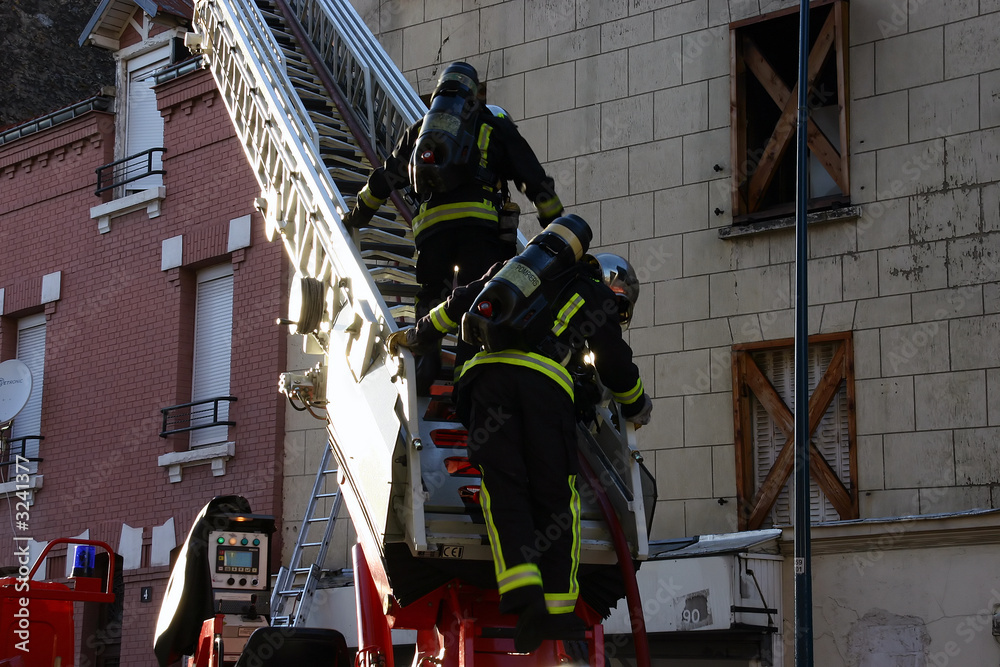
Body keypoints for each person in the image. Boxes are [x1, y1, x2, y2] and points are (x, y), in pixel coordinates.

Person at [390, 217, 652, 652]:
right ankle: (558, 608)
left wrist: (419, 334)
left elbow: (457, 304)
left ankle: (522, 591)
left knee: (504, 485)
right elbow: (616, 365)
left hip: (483, 383)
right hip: (544, 386)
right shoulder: (591, 292)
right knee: (555, 492)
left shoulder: (513, 273)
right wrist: (637, 405)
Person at [344, 61, 563, 392]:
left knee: (432, 293)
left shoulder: (422, 129)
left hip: (432, 230)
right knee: (476, 298)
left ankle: (425, 361)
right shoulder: (493, 124)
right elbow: (533, 179)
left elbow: (386, 176)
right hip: (480, 228)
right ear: (474, 93)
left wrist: (357, 216)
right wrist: (555, 224)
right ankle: (465, 380)